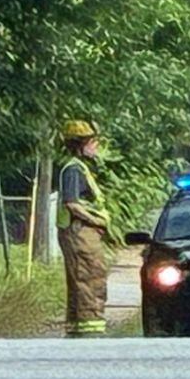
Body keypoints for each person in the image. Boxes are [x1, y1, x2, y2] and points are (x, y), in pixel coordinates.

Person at [56, 120, 110, 336]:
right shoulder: (73, 170)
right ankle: (91, 329)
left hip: (83, 233)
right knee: (89, 278)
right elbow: (72, 203)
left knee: (86, 278)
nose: (96, 146)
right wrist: (96, 221)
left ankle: (79, 329)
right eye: (93, 142)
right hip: (80, 232)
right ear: (81, 144)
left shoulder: (81, 169)